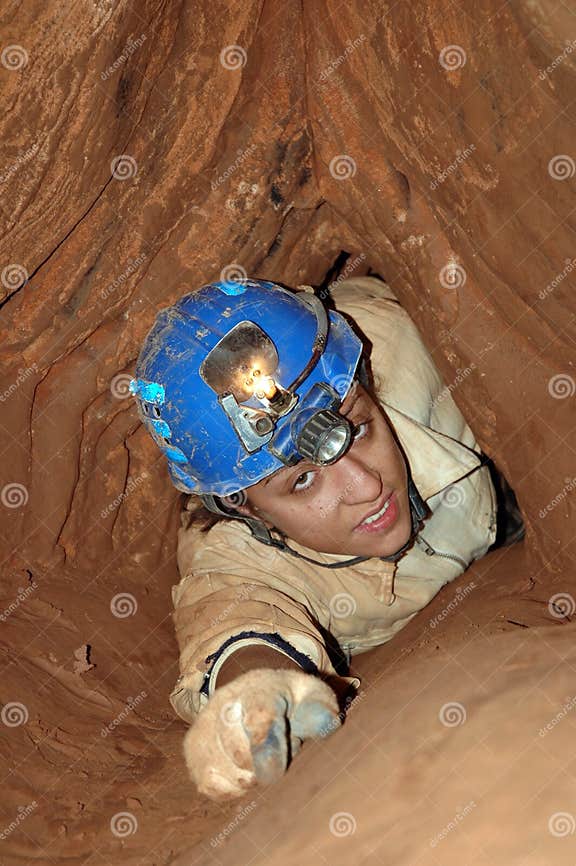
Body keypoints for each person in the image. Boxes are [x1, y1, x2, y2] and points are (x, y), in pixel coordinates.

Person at [129, 274, 524, 800]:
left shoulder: (413, 346)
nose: (366, 486)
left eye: (357, 427)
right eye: (303, 480)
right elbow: (234, 626)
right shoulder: (235, 555)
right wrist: (253, 699)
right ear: (242, 506)